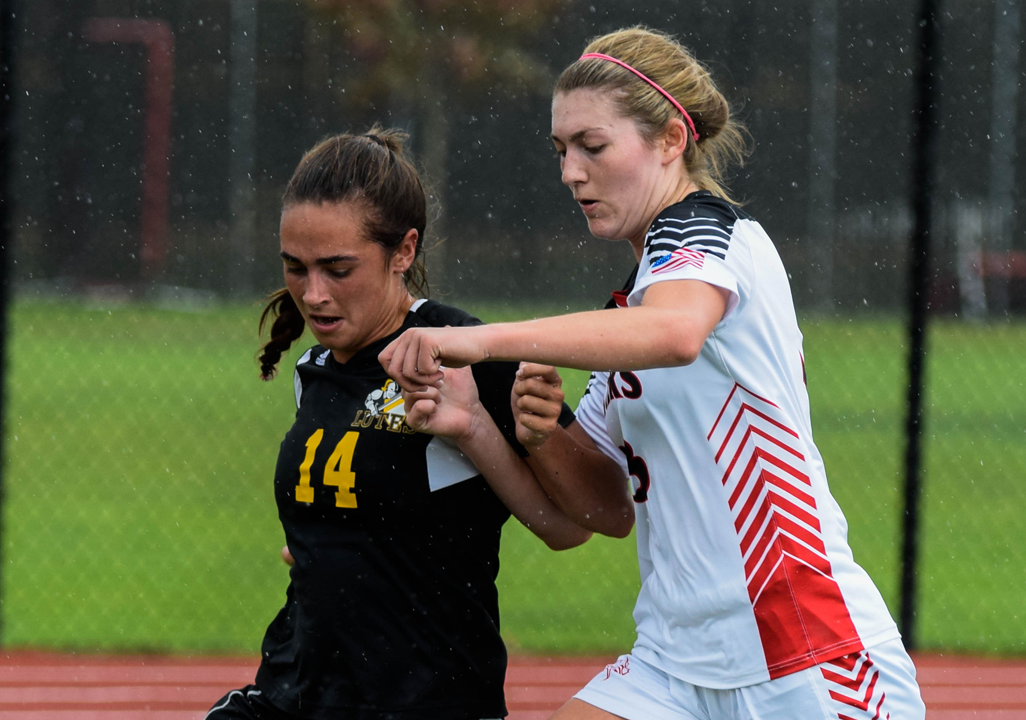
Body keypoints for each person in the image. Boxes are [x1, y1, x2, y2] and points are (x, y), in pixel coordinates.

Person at [382, 28, 926, 720]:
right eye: (560, 151)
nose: (570, 172)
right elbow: (603, 508)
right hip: (672, 661)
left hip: (805, 654)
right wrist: (530, 431)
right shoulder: (634, 302)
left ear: (671, 140)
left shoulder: (703, 233)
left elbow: (674, 333)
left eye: (593, 146)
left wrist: (477, 341)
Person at [205, 127, 631, 720]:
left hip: (425, 701)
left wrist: (482, 428)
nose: (314, 294)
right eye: (295, 268)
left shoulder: (466, 353)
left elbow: (573, 527)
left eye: (337, 268)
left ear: (403, 251)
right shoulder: (315, 369)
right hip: (295, 692)